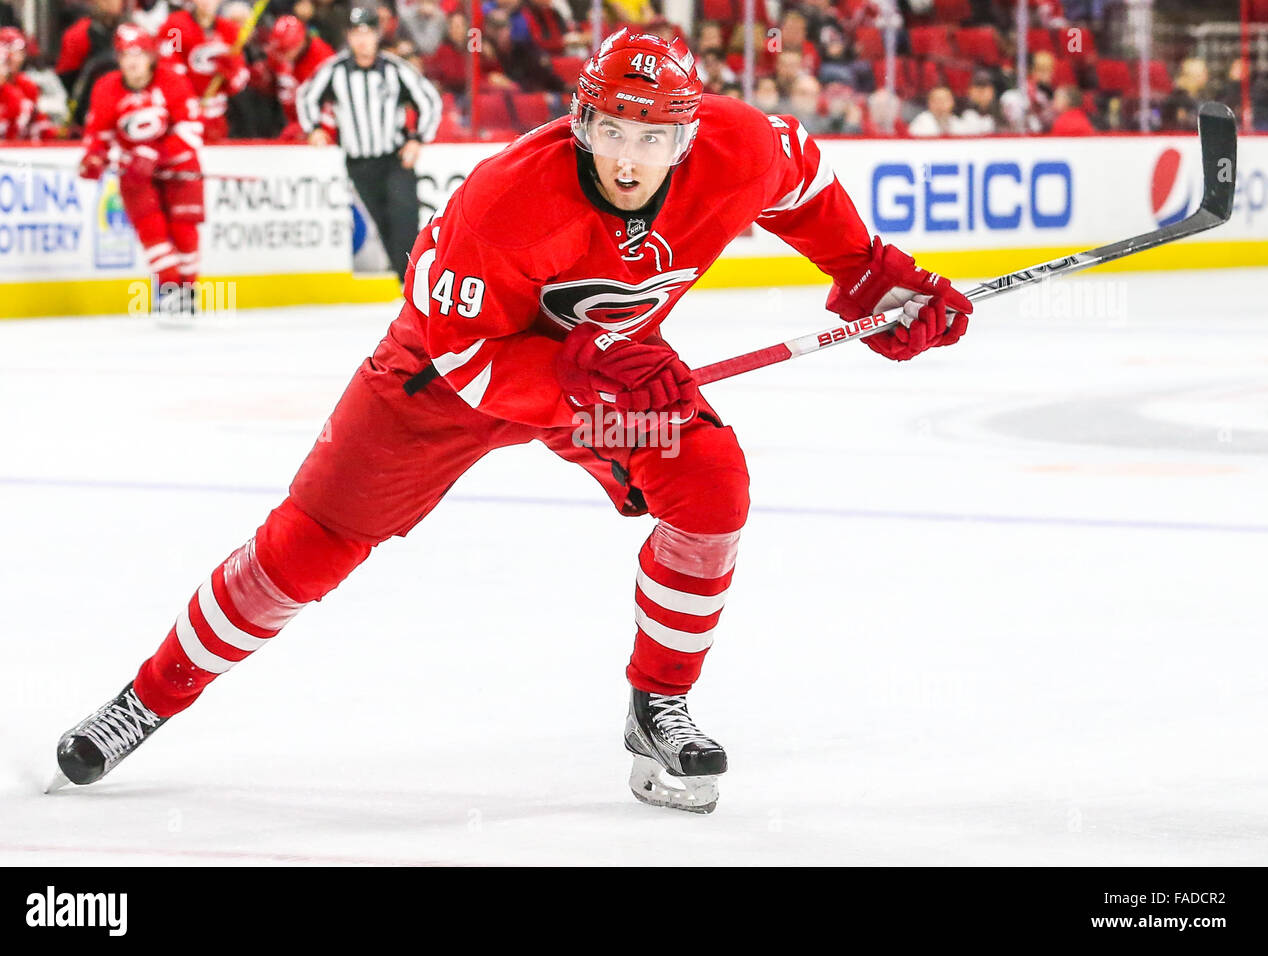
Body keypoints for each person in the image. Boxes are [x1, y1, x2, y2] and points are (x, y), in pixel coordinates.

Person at [50, 28, 972, 814]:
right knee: (314, 541)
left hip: (609, 387)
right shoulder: (501, 204)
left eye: (654, 140)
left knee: (711, 485)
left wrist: (868, 271)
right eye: (612, 130)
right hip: (435, 392)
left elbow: (801, 179)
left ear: (688, 140)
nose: (628, 157)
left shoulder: (737, 146)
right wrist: (590, 375)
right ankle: (148, 696)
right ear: (581, 120)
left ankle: (658, 705)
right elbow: (472, 362)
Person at [297, 6, 441, 275]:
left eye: (367, 32)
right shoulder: (335, 70)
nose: (362, 39)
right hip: (358, 162)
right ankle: (405, 283)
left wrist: (418, 139)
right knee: (383, 223)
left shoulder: (396, 68)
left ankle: (415, 282)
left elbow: (430, 100)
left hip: (394, 158)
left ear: (377, 35)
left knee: (405, 219)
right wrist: (313, 128)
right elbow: (306, 96)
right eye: (356, 33)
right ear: (348, 36)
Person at [76, 24, 205, 319]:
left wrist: (156, 155)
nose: (132, 61)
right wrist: (94, 158)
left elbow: (192, 130)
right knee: (151, 229)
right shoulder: (106, 87)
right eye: (125, 55)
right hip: (134, 172)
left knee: (184, 230)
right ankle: (171, 290)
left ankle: (189, 290)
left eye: (139, 54)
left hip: (179, 166)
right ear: (118, 59)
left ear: (151, 56)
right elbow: (99, 135)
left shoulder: (172, 80)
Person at [158, 0, 250, 143]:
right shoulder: (175, 27)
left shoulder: (230, 30)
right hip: (182, 117)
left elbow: (239, 82)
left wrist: (231, 74)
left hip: (217, 117)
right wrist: (190, 104)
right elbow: (169, 70)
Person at [250, 13, 335, 140]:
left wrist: (309, 126)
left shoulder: (323, 60)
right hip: (284, 116)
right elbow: (268, 81)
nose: (284, 56)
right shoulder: (278, 52)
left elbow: (328, 106)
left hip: (313, 122)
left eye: (288, 50)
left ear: (302, 41)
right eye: (280, 50)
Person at [55, 0, 127, 127]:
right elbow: (66, 79)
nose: (113, 3)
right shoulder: (79, 34)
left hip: (127, 106)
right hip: (90, 110)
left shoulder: (130, 32)